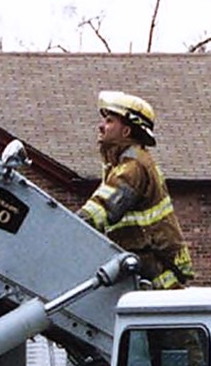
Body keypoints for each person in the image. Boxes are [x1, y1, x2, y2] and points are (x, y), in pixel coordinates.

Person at [83, 91, 194, 288]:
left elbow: (102, 209)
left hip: (154, 270)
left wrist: (65, 228)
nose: (101, 126)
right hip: (147, 265)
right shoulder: (124, 163)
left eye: (109, 121)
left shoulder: (133, 166)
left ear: (126, 132)